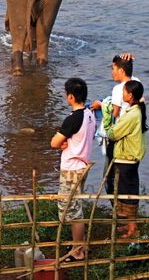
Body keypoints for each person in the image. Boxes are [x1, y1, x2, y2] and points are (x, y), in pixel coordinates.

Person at [51, 77, 97, 264]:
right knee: (74, 205)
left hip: (71, 168)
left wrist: (62, 141)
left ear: (70, 97)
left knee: (70, 208)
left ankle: (78, 250)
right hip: (82, 164)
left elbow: (54, 142)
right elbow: (81, 138)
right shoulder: (89, 115)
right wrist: (68, 142)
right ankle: (79, 244)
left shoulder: (73, 118)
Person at [92, 53, 143, 202]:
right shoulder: (136, 82)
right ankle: (127, 213)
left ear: (121, 71)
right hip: (135, 138)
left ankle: (118, 210)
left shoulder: (118, 90)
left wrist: (101, 105)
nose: (111, 72)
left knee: (110, 178)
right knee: (131, 179)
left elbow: (114, 113)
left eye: (113, 68)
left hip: (119, 137)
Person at [102, 79, 147, 239]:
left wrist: (107, 124)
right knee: (124, 191)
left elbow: (115, 133)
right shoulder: (134, 111)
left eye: (125, 92)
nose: (123, 95)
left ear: (131, 95)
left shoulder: (133, 114)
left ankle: (133, 228)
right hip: (126, 157)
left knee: (128, 193)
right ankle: (129, 224)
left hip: (126, 159)